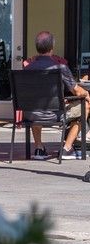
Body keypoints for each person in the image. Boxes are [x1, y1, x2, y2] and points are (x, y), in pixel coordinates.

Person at [25, 30, 90, 160]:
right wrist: (87, 94)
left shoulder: (28, 68)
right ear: (52, 47)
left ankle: (39, 148)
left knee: (36, 106)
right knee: (86, 105)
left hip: (30, 113)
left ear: (37, 47)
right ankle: (67, 148)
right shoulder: (60, 67)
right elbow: (77, 91)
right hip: (54, 113)